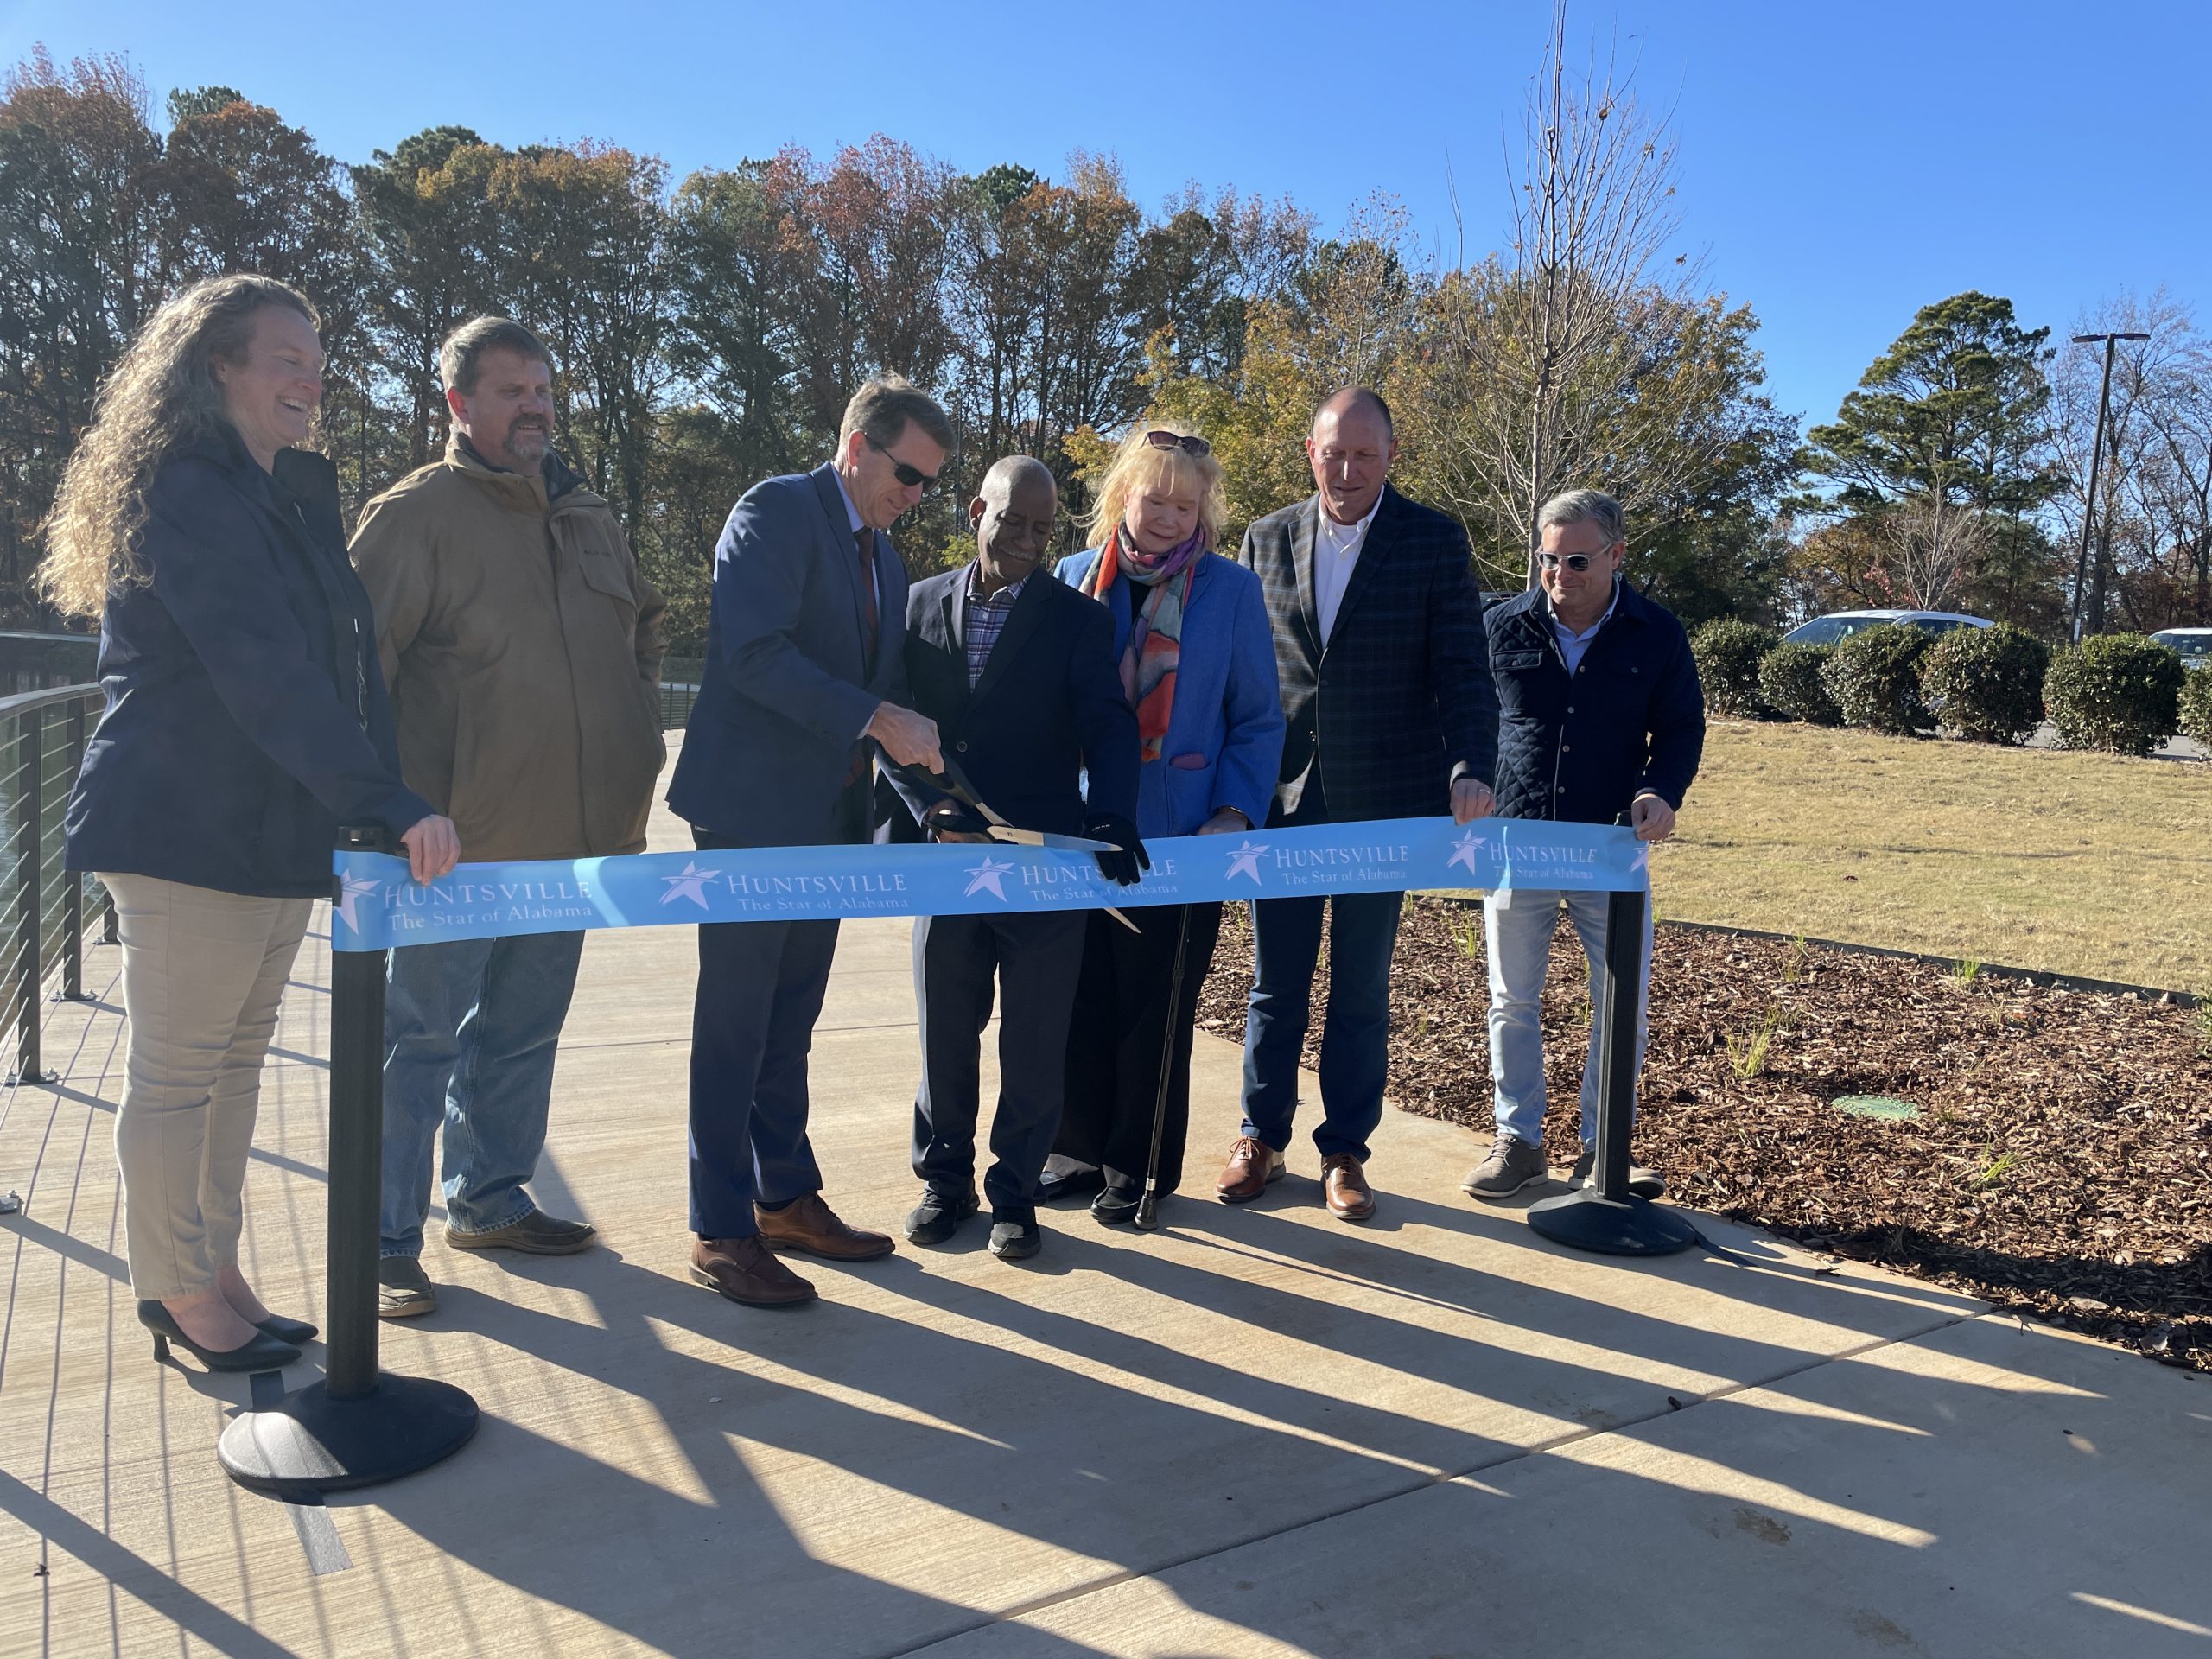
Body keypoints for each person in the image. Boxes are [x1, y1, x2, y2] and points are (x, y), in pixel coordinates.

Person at [46, 274, 458, 1371]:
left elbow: (345, 669)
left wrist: (366, 791)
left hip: (271, 827)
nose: (311, 378)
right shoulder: (186, 487)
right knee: (181, 1072)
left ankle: (209, 1267)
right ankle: (175, 1283)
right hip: (185, 822)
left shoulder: (282, 493)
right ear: (215, 366)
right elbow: (259, 668)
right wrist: (384, 798)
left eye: (316, 361)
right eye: (285, 357)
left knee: (234, 1066)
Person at [351, 317, 668, 1319]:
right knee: (418, 1043)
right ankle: (382, 1242)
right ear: (458, 404)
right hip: (449, 850)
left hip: (571, 842)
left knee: (523, 1033)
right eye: (509, 390)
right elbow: (356, 675)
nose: (534, 405)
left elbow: (643, 630)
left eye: (541, 388)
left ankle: (486, 1199)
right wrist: (390, 812)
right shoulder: (414, 516)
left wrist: (631, 740)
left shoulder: (585, 513)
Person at [666, 376, 953, 1308]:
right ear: (856, 447)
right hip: (751, 813)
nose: (915, 497)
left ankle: (783, 1195)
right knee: (735, 1026)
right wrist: (873, 716)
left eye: (929, 485)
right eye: (907, 474)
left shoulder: (887, 559)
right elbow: (752, 652)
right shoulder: (775, 512)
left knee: (790, 1020)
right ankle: (719, 1226)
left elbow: (895, 694)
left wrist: (934, 793)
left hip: (827, 820)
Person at [1229, 388, 1498, 1221]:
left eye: (1364, 456)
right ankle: (1259, 1137)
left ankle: (1344, 1151)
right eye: (1333, 453)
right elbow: (1243, 671)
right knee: (1275, 985)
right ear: (1310, 452)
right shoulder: (1264, 537)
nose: (1347, 470)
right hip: (1284, 797)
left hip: (1385, 802)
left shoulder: (1433, 540)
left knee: (1359, 989)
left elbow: (1463, 668)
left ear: (1390, 457)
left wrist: (1468, 765)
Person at [883, 457, 1144, 1259]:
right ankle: (945, 1180)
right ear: (977, 512)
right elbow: (889, 722)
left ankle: (1014, 1194)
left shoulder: (1079, 619)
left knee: (1033, 1036)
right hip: (948, 856)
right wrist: (928, 808)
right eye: (1013, 521)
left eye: (1043, 527)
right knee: (946, 1027)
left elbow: (1108, 726)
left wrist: (1111, 818)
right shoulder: (917, 604)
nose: (1028, 539)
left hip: (1043, 860)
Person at [1039, 423, 1284, 1224]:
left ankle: (1135, 1167)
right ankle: (1072, 1150)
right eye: (1156, 499)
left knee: (1157, 1007)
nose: (1170, 517)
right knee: (1078, 996)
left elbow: (1257, 720)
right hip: (1080, 828)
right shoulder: (1075, 578)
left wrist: (1236, 810)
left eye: (1187, 504)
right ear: (1123, 495)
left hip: (1184, 837)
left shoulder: (1233, 591)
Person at [1462, 488, 1705, 1201]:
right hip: (1518, 840)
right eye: (1547, 559)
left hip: (1609, 847)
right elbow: (1471, 717)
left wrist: (1661, 790)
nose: (1558, 574)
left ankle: (1606, 1150)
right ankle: (1519, 1141)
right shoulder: (1501, 627)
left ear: (1616, 555)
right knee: (1512, 999)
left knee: (1621, 997)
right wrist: (1467, 777)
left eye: (1575, 559)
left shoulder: (1657, 633)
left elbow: (1682, 730)